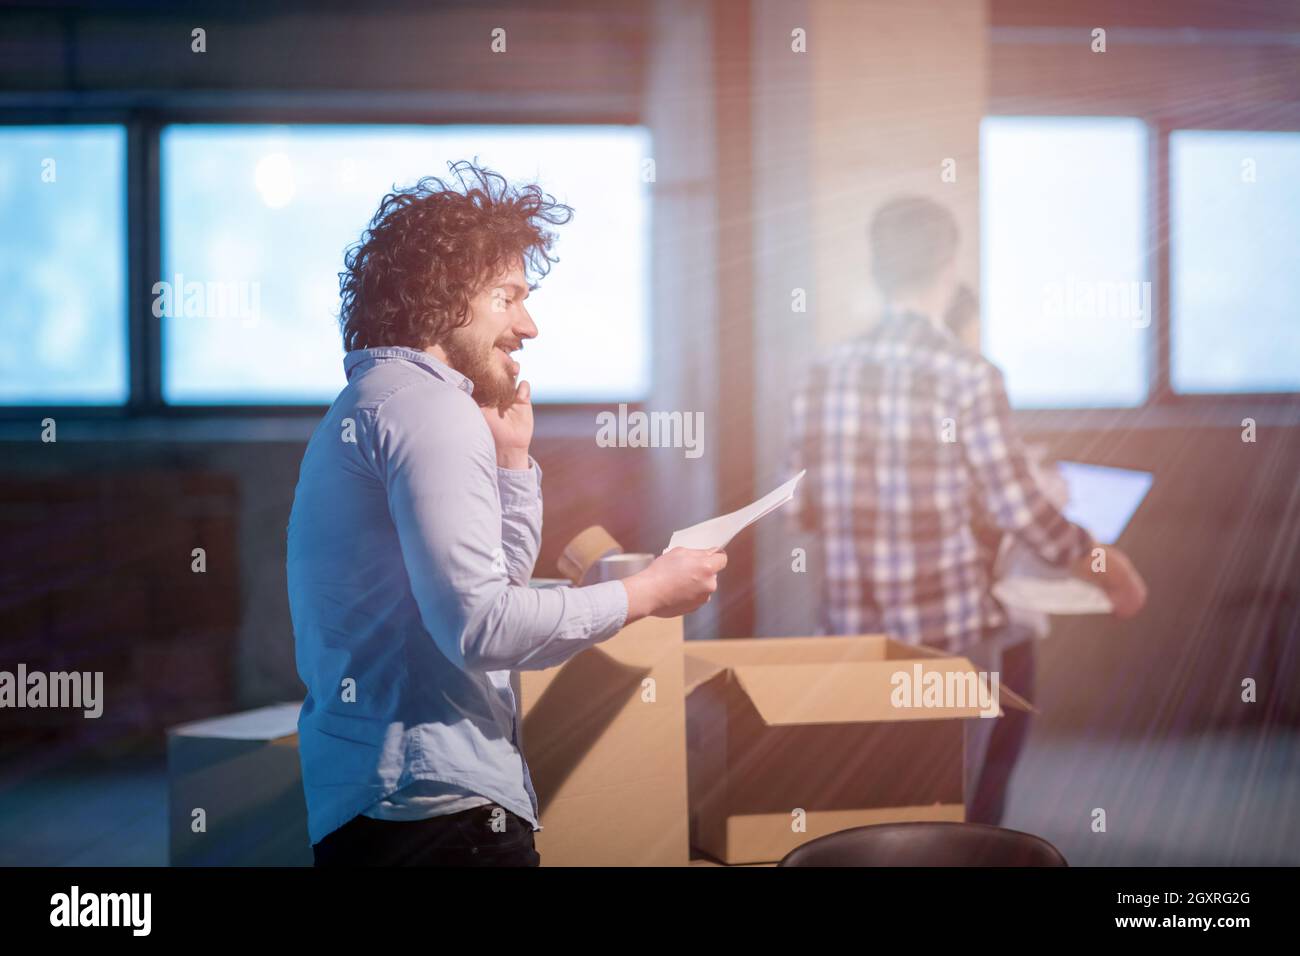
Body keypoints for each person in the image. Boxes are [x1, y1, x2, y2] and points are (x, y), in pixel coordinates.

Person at [287, 161, 726, 866]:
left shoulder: (376, 403)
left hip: (387, 802)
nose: (529, 325)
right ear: (446, 295)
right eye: (510, 297)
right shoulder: (430, 410)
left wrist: (512, 464)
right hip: (440, 814)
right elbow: (484, 629)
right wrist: (648, 593)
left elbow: (492, 590)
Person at [787, 195, 1146, 825]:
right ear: (951, 264)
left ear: (876, 267)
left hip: (850, 636)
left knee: (874, 817)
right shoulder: (970, 375)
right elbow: (1024, 512)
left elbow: (804, 511)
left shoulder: (822, 373)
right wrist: (1106, 564)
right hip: (948, 641)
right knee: (957, 823)